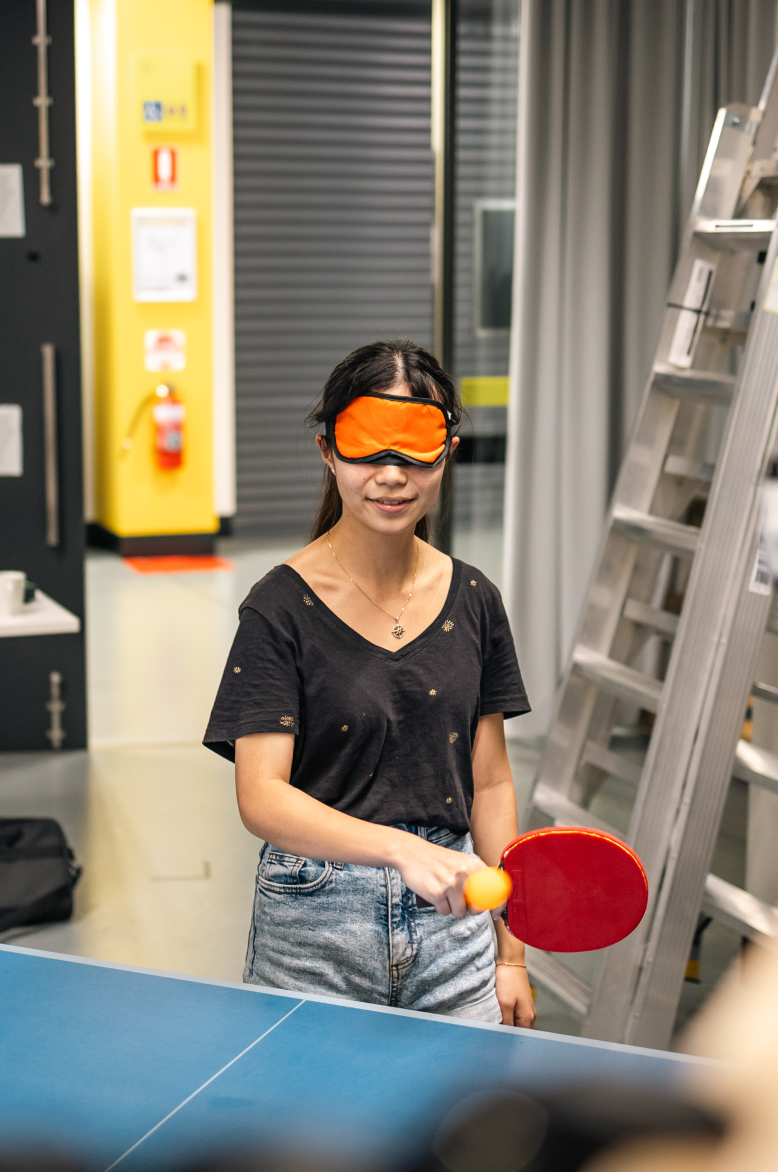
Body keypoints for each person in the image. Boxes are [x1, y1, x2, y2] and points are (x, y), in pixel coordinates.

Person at [203, 339, 534, 1026]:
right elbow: (260, 797)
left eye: (415, 448)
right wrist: (398, 848)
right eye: (368, 449)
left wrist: (512, 955)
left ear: (445, 451)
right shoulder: (278, 607)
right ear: (328, 450)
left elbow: (492, 783)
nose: (392, 474)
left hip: (454, 917)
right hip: (313, 925)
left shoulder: (473, 598)